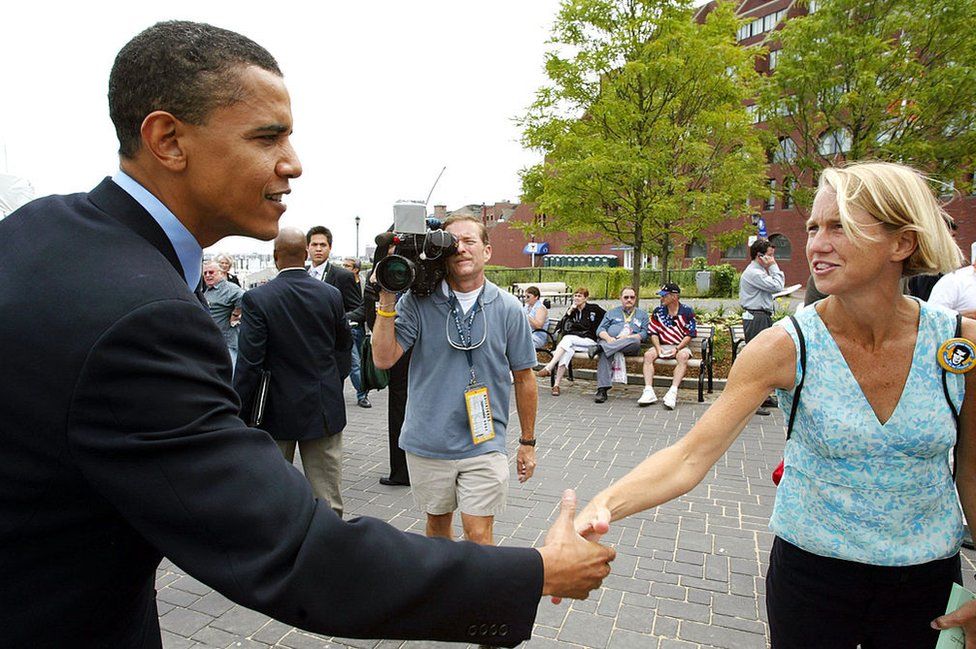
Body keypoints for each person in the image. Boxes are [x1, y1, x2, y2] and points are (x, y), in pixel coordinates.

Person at [0, 20, 614, 647]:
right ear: (168, 139)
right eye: (268, 137)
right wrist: (536, 572)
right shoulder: (143, 317)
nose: (293, 163)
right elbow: (296, 553)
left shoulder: (40, 233)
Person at [574, 161, 976, 649]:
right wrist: (600, 508)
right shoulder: (785, 346)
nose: (816, 244)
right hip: (814, 580)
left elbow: (971, 475)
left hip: (929, 584)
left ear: (902, 243)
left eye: (839, 227)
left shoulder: (959, 342)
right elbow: (688, 457)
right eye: (812, 228)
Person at [371, 215, 539, 547]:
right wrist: (387, 294)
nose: (460, 249)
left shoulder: (508, 308)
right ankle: (446, 595)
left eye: (470, 241)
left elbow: (524, 377)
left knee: (478, 534)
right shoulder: (418, 302)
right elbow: (383, 358)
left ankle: (479, 598)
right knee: (437, 531)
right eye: (452, 243)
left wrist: (528, 443)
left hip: (484, 442)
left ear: (488, 251)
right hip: (428, 441)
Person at [234, 228, 352, 517]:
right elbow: (344, 345)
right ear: (305, 254)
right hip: (323, 407)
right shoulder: (331, 294)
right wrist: (333, 381)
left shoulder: (258, 299)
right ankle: (329, 553)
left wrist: (238, 408)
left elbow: (250, 361)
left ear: (275, 258)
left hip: (275, 409)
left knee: (273, 494)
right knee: (328, 499)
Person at [739, 238, 785, 415]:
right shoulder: (754, 273)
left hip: (761, 316)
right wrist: (773, 267)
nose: (773, 259)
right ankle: (753, 402)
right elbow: (778, 285)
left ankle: (764, 397)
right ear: (760, 256)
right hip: (756, 317)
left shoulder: (758, 272)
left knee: (764, 358)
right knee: (757, 359)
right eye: (770, 256)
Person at [536, 288, 606, 396]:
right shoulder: (573, 310)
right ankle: (556, 385)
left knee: (567, 339)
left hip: (590, 342)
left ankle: (549, 367)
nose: (577, 298)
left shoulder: (594, 309)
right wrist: (569, 311)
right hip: (575, 343)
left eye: (580, 296)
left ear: (586, 298)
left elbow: (607, 317)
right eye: (575, 295)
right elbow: (563, 324)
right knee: (566, 351)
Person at [637, 283, 696, 410]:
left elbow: (690, 335)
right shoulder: (658, 312)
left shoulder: (687, 311)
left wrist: (677, 349)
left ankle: (672, 392)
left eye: (664, 296)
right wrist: (658, 349)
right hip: (662, 345)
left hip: (679, 346)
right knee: (648, 355)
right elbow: (653, 332)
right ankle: (648, 391)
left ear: (674, 297)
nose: (661, 298)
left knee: (683, 357)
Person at [590, 287, 649, 404]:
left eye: (632, 297)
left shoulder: (642, 315)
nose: (629, 300)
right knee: (605, 351)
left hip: (630, 345)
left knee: (635, 341)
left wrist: (627, 338)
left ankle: (601, 348)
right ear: (620, 298)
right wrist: (608, 338)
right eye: (626, 297)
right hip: (610, 341)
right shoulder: (611, 313)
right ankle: (602, 390)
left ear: (635, 299)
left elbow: (644, 333)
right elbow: (600, 329)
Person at [202, 259, 244, 370]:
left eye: (211, 272)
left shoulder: (229, 288)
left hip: (227, 343)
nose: (208, 275)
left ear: (220, 273)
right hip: (212, 341)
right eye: (205, 273)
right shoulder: (208, 290)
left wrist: (235, 315)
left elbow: (245, 298)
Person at [342, 257, 371, 408]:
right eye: (343, 265)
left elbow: (365, 306)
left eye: (348, 266)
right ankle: (362, 394)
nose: (344, 268)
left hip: (360, 327)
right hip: (348, 326)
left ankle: (362, 393)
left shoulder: (364, 282)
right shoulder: (342, 282)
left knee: (358, 362)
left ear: (356, 269)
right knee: (354, 363)